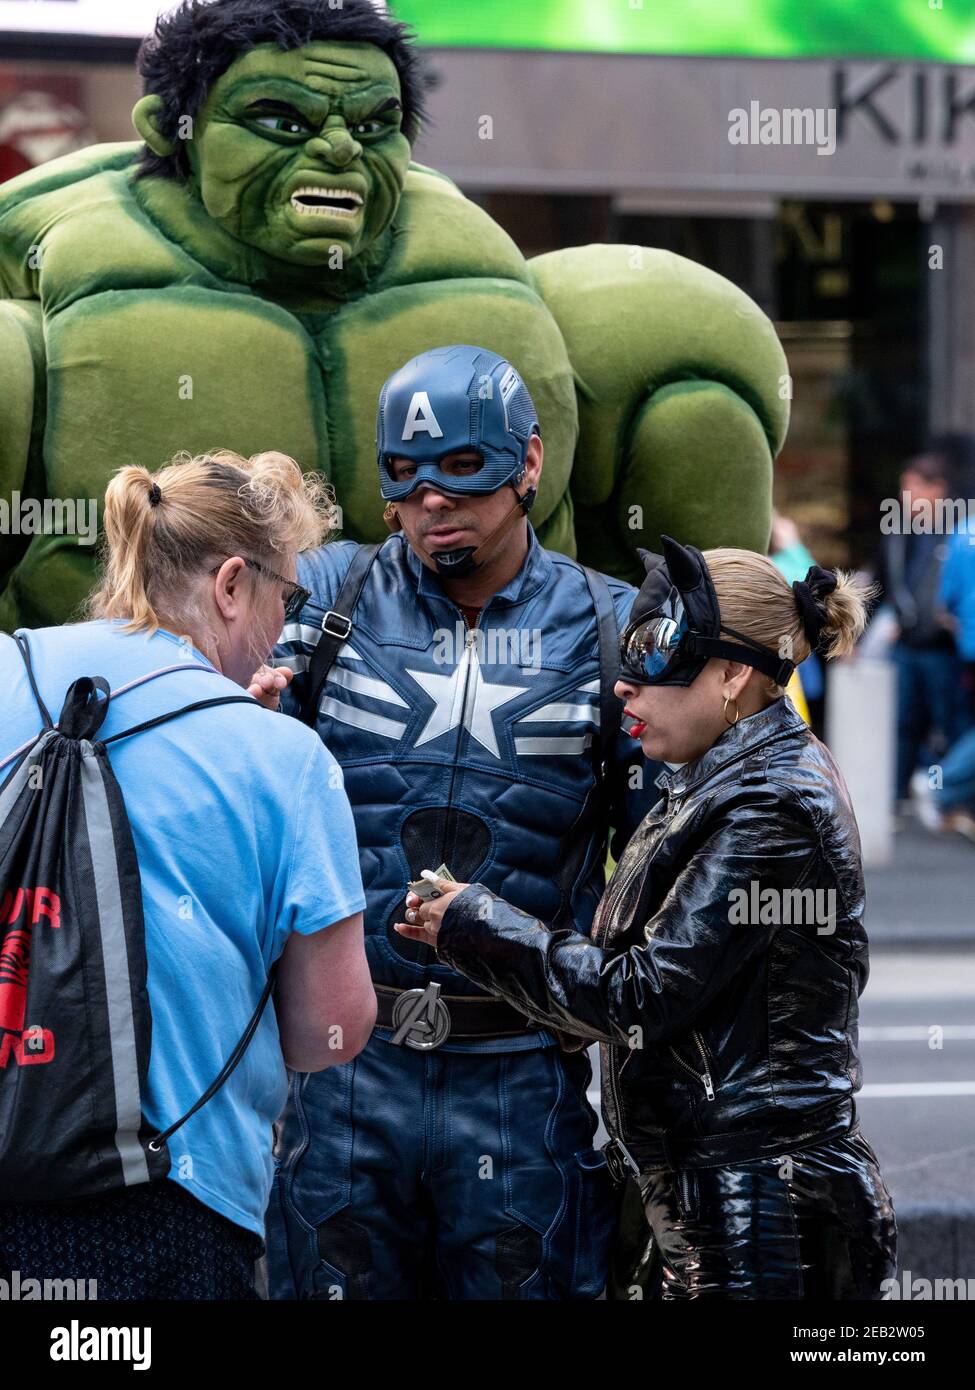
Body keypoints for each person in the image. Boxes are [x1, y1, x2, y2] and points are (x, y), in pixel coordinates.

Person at [397, 537, 898, 1300]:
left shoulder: (770, 804)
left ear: (734, 673)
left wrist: (475, 923)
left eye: (658, 656)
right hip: (721, 1195)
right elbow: (673, 984)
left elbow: (643, 992)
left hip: (763, 1212)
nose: (624, 687)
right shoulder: (717, 780)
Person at [266, 344, 660, 1300]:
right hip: (343, 1071)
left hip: (522, 1078)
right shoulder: (320, 597)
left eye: (462, 470)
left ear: (527, 465)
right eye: (403, 476)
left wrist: (596, 1013)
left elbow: (660, 858)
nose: (431, 500)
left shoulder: (612, 627)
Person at [0, 449, 375, 1300]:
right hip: (170, 1198)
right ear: (232, 584)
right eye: (287, 598)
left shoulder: (7, 666)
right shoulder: (284, 760)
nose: (282, 630)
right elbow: (332, 1030)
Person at [877, 450, 967, 810]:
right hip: (906, 643)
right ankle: (900, 797)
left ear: (938, 490)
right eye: (904, 488)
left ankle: (944, 797)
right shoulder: (898, 532)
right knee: (902, 722)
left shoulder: (960, 532)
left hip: (946, 648)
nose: (906, 497)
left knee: (947, 724)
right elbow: (883, 584)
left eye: (914, 488)